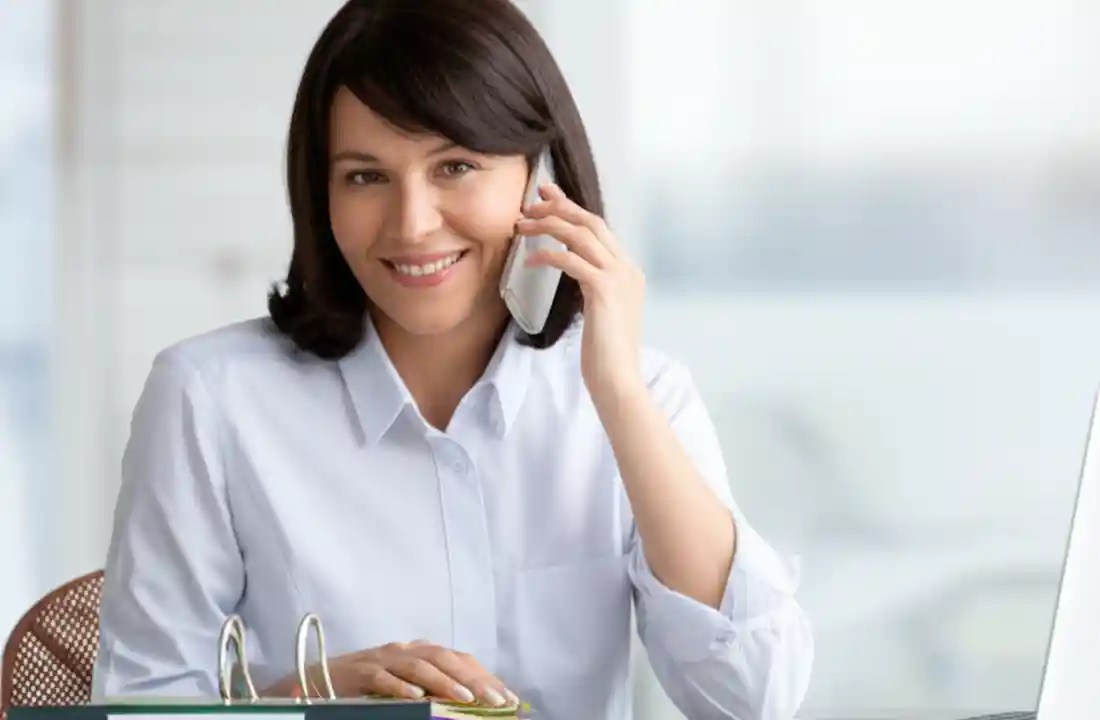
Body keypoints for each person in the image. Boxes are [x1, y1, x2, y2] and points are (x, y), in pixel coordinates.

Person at [90, 1, 813, 717]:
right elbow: (138, 708)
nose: (412, 225)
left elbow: (752, 700)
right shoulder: (209, 399)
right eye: (365, 176)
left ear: (541, 176)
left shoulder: (644, 394)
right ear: (322, 192)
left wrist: (618, 394)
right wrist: (316, 701)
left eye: (456, 166)